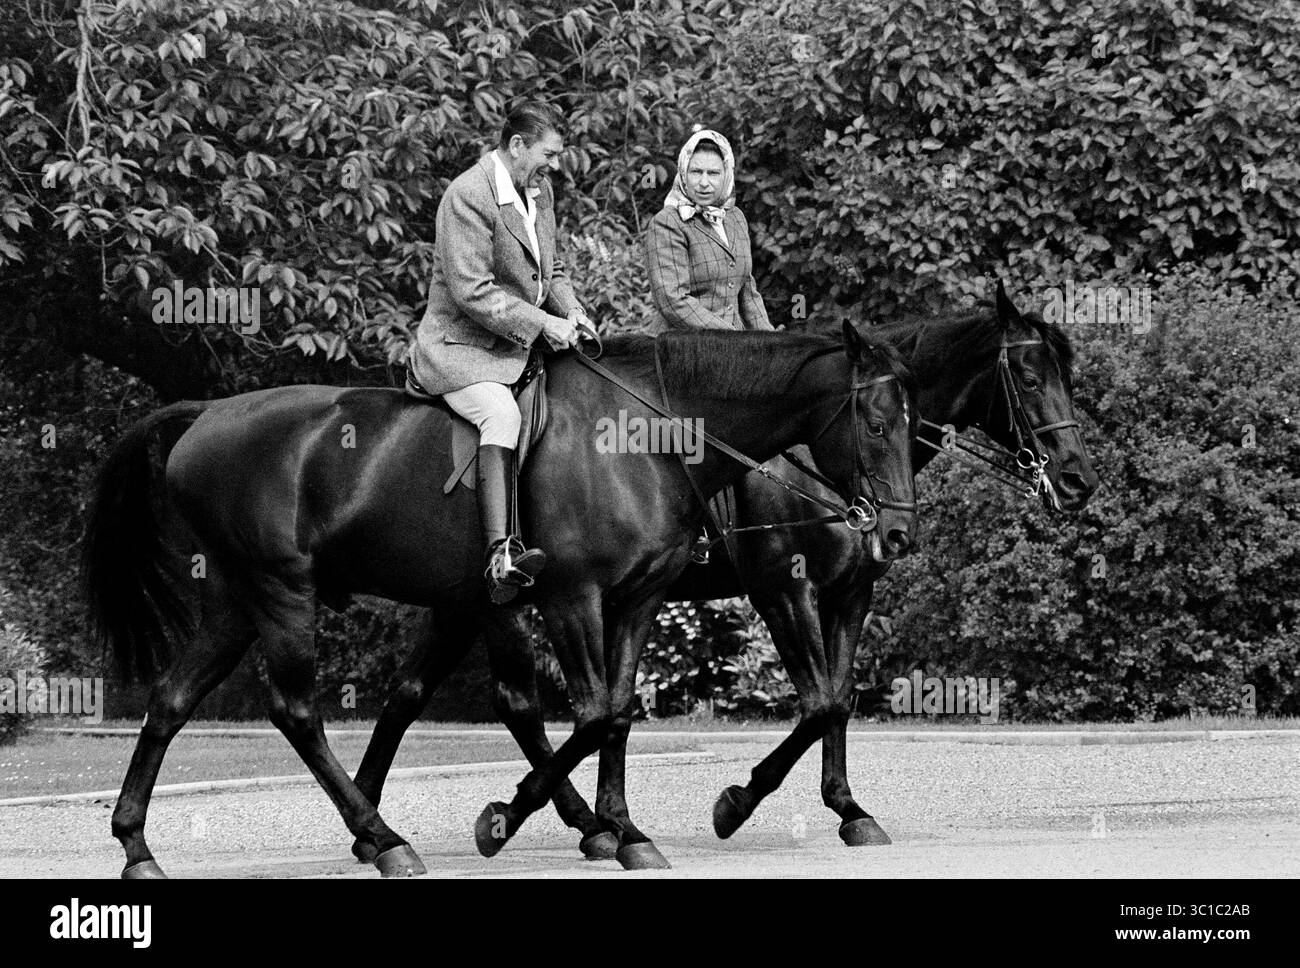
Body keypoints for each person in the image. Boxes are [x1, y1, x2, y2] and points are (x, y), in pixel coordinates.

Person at [408, 101, 590, 604]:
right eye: (547, 154)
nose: (553, 165)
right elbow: (473, 292)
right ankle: (500, 555)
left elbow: (550, 273)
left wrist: (572, 314)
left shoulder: (539, 192)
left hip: (519, 345)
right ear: (516, 146)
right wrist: (545, 324)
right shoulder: (467, 195)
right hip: (461, 349)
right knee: (501, 415)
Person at [644, 128, 772, 333]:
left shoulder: (735, 218)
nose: (704, 183)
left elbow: (747, 291)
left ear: (726, 175)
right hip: (683, 346)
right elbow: (672, 300)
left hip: (734, 347)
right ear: (684, 173)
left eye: (713, 173)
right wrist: (731, 338)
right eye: (696, 172)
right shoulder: (668, 223)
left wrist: (772, 342)